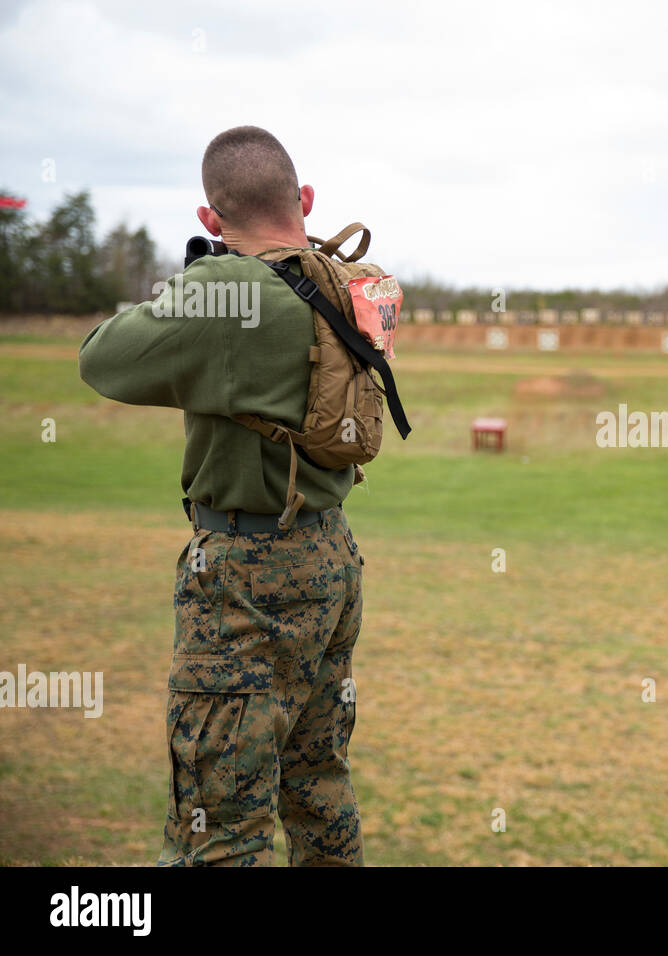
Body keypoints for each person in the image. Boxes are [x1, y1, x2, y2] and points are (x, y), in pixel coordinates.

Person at [79, 126, 367, 866]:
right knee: (318, 786)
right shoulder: (339, 279)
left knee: (218, 823)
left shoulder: (223, 290)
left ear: (211, 219)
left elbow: (102, 359)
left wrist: (195, 282)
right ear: (303, 200)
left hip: (247, 575)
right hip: (331, 555)